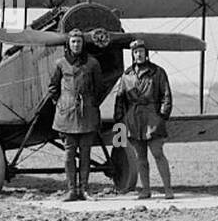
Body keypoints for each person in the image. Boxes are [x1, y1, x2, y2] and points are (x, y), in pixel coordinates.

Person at [113, 39, 174, 199]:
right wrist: (119, 119)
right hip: (134, 119)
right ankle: (146, 189)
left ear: (146, 54)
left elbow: (166, 95)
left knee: (157, 153)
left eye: (141, 51)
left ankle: (168, 189)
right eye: (135, 52)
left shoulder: (158, 72)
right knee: (140, 157)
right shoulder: (127, 75)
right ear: (132, 55)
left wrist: (162, 116)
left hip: (152, 116)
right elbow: (120, 98)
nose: (138, 54)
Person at [47, 29, 102, 201]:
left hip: (87, 113)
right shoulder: (60, 64)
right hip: (67, 114)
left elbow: (98, 88)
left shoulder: (92, 63)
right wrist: (62, 103)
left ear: (83, 44)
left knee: (85, 153)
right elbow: (53, 88)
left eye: (79, 41)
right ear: (68, 44)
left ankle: (84, 190)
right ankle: (71, 190)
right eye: (73, 42)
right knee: (69, 154)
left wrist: (91, 104)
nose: (76, 44)